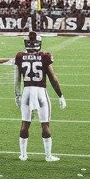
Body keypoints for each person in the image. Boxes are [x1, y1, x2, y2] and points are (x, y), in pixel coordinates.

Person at [13, 31, 66, 162]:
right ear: (39, 43)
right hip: (40, 91)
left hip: (26, 91)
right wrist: (60, 95)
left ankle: (23, 155)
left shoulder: (20, 56)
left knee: (25, 123)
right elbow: (53, 78)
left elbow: (17, 79)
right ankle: (48, 156)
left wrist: (17, 95)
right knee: (45, 124)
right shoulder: (44, 56)